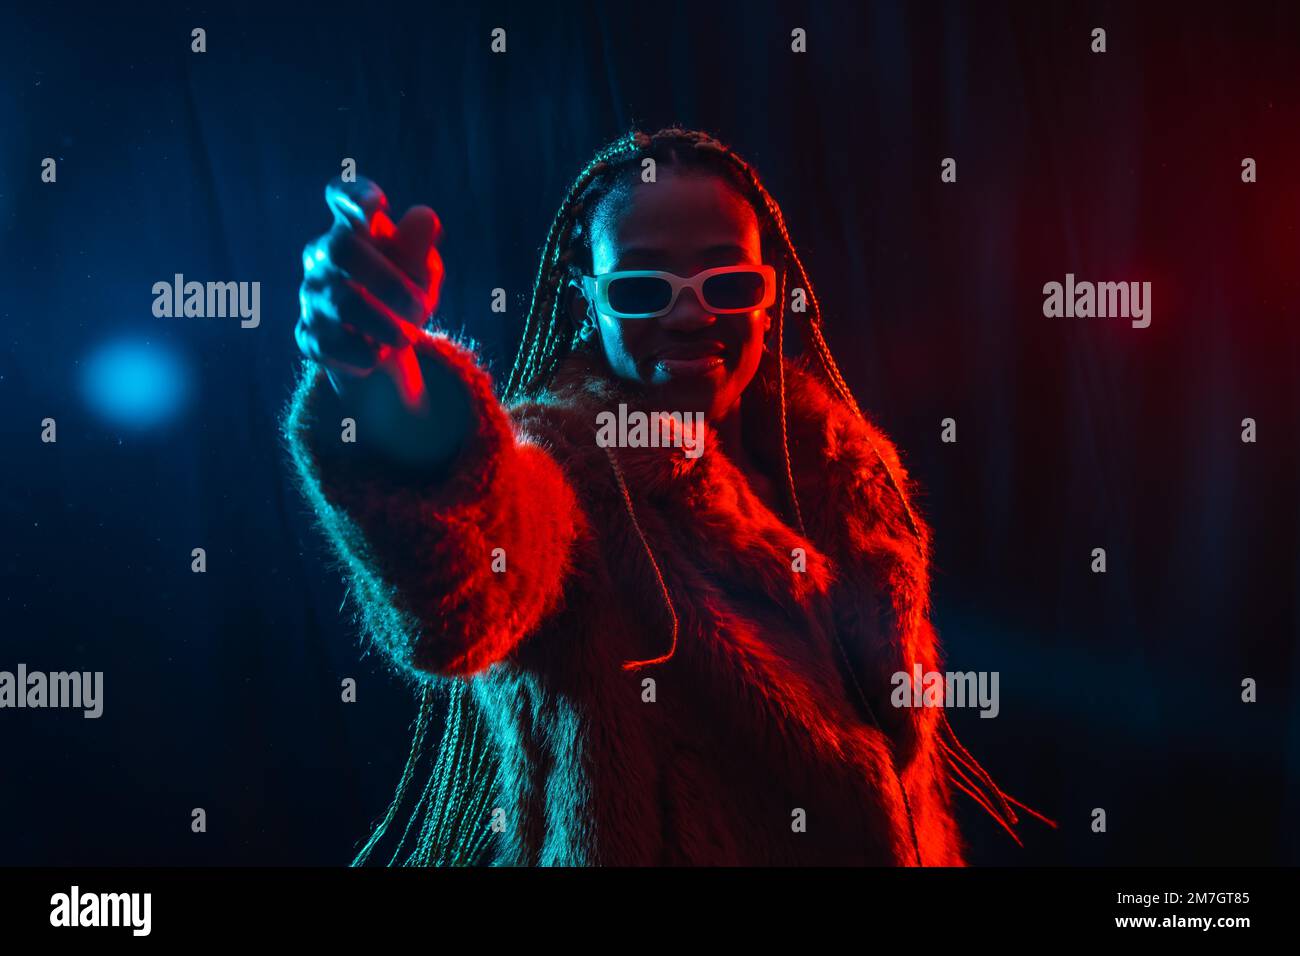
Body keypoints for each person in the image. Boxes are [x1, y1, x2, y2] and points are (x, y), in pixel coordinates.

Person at [284, 126, 1038, 865]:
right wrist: (386, 387)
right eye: (643, 286)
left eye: (728, 282)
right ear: (591, 301)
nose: (689, 314)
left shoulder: (851, 475)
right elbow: (470, 575)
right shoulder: (571, 471)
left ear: (771, 295)